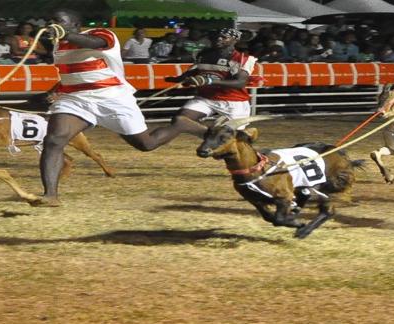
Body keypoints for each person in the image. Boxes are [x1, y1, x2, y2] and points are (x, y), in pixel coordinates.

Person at [30, 9, 209, 206]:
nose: (51, 23)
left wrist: (66, 34)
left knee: (146, 144)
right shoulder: (58, 44)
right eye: (50, 20)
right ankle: (50, 195)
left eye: (58, 21)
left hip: (112, 96)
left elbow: (94, 44)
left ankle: (181, 125)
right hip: (75, 99)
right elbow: (71, 73)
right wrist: (53, 91)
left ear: (74, 24)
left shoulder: (101, 35)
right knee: (55, 139)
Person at [167, 27, 255, 126]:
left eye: (224, 37)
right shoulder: (203, 55)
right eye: (217, 37)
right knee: (179, 120)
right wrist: (182, 79)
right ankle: (210, 133)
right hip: (206, 98)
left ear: (235, 40)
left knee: (225, 137)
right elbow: (193, 72)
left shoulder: (242, 58)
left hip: (233, 101)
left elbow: (240, 83)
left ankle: (215, 133)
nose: (219, 39)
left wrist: (208, 81)